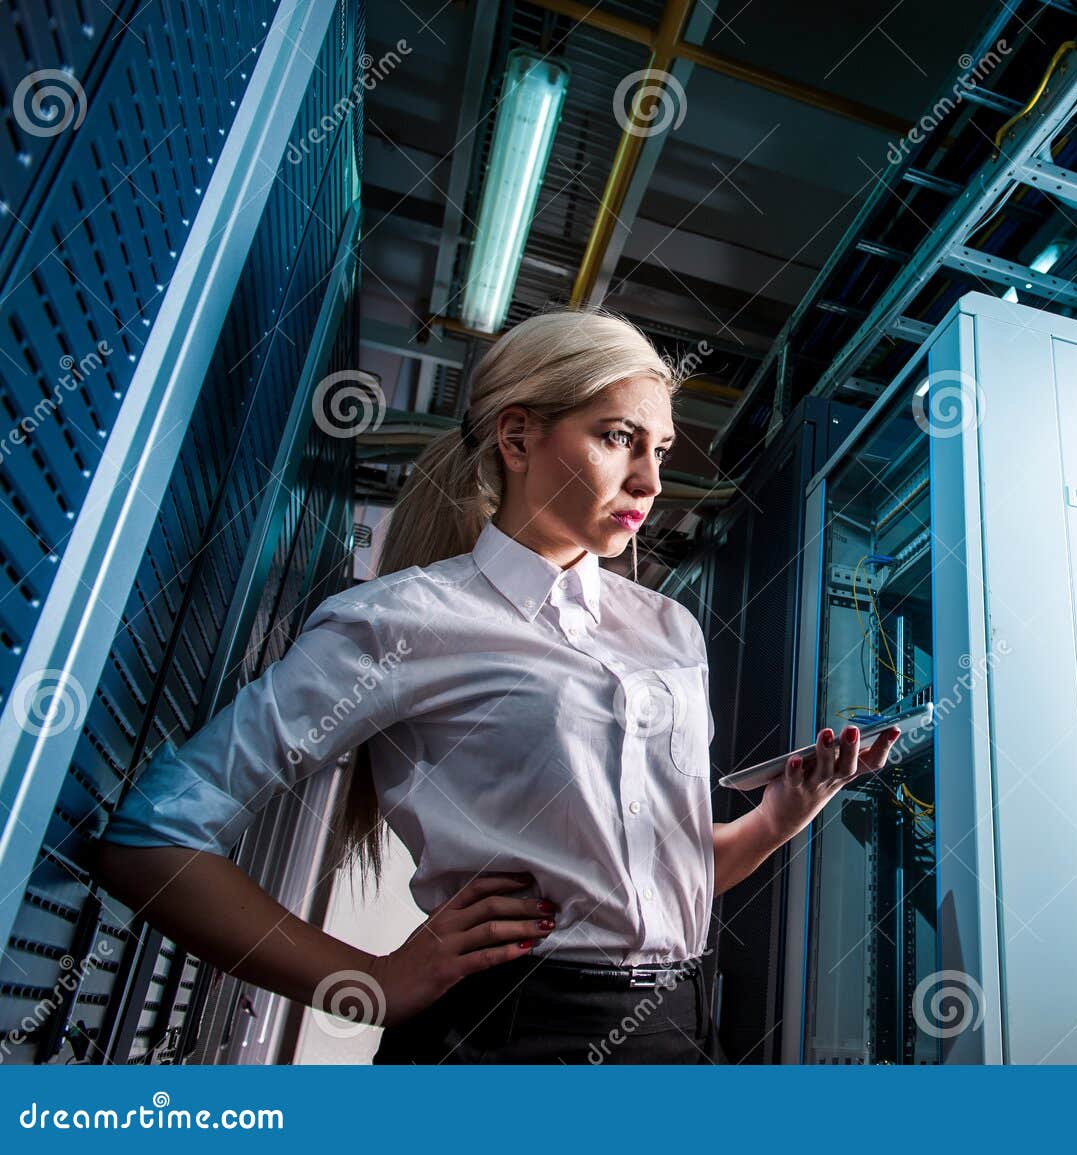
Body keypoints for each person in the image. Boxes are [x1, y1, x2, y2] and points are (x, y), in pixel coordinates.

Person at [91, 307, 902, 1064]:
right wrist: (372, 983)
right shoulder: (398, 621)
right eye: (620, 438)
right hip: (502, 1038)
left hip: (678, 1034)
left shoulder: (669, 629)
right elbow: (152, 839)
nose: (651, 482)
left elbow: (655, 884)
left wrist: (778, 816)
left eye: (659, 449)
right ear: (517, 437)